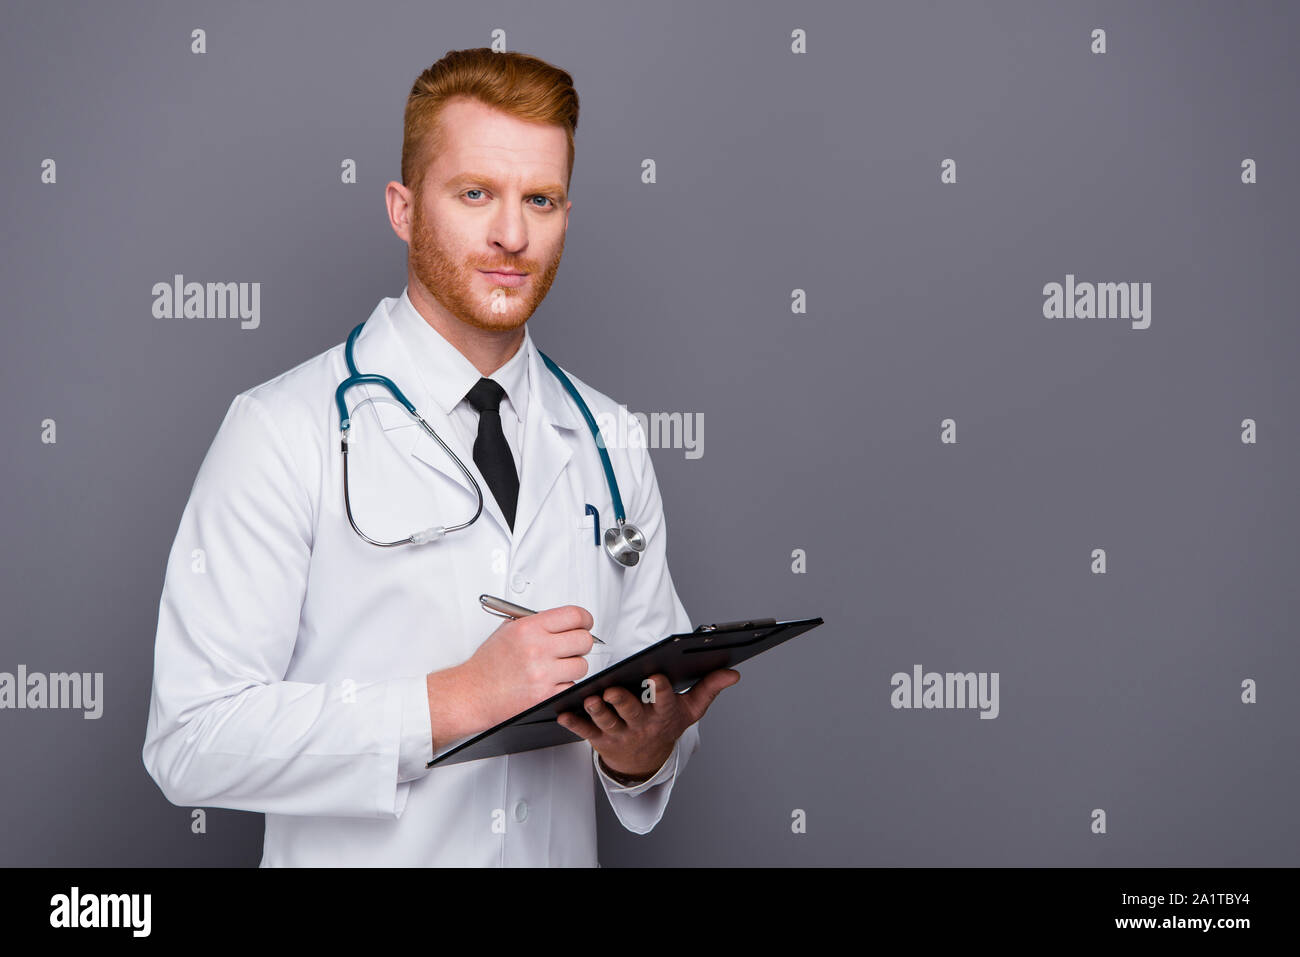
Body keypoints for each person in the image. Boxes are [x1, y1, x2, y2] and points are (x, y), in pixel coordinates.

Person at [140, 48, 739, 866]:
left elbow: (648, 707)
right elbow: (191, 736)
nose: (512, 233)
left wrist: (642, 754)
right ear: (402, 207)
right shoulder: (282, 428)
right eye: (474, 194)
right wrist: (450, 701)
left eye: (541, 198)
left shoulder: (609, 438)